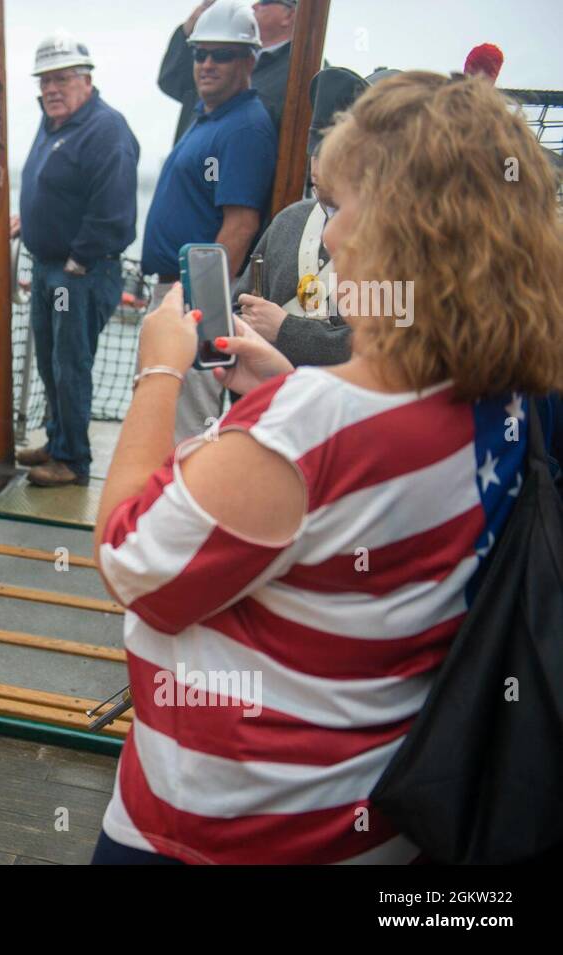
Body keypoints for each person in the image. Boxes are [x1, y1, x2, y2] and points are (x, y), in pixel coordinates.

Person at [90, 71, 563, 864]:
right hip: (376, 818)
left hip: (221, 829)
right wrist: (285, 382)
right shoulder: (515, 397)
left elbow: (130, 559)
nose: (331, 236)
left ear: (404, 234)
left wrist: (160, 369)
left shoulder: (308, 428)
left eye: (340, 207)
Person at [141, 0, 276, 443]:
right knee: (161, 410)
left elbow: (240, 225)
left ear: (249, 61)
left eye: (222, 54)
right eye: (200, 53)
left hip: (193, 299)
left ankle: (186, 490)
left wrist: (201, 310)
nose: (207, 64)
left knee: (187, 423)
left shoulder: (244, 128)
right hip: (176, 294)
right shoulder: (208, 116)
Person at [14, 33, 140, 488]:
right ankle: (57, 440)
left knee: (70, 366)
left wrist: (76, 263)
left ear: (86, 80)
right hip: (48, 267)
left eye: (62, 78)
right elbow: (54, 188)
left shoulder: (106, 129)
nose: (51, 88)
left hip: (79, 273)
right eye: (45, 80)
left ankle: (73, 461)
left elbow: (113, 208)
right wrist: (29, 219)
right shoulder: (53, 123)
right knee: (50, 363)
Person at [159, 0, 296, 145]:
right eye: (200, 55)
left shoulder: (298, 74)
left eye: (222, 55)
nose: (254, 6)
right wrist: (190, 27)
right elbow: (172, 80)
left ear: (288, 15)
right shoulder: (223, 59)